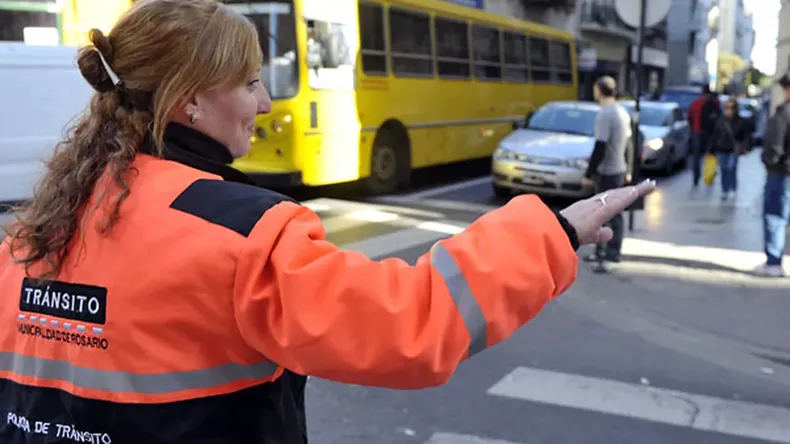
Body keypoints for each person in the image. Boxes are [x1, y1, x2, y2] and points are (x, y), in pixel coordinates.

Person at [0, 1, 655, 442]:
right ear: (191, 100)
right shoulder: (241, 232)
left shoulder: (42, 223)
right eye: (250, 82)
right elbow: (408, 325)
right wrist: (553, 234)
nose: (263, 101)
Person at [582, 76, 634, 272]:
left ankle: (610, 254)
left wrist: (589, 172)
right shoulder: (622, 112)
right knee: (609, 213)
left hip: (607, 171)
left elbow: (600, 145)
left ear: (599, 90)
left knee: (607, 214)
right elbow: (629, 143)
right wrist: (628, 169)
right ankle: (603, 252)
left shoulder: (605, 114)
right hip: (619, 169)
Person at [754, 73, 790, 277]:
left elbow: (774, 149)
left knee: (775, 215)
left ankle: (774, 262)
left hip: (782, 173)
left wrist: (769, 161)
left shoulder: (783, 114)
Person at [709, 97, 749, 200]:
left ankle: (733, 187)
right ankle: (724, 190)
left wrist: (745, 148)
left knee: (732, 168)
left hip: (733, 149)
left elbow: (744, 135)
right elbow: (715, 135)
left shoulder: (740, 121)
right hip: (721, 148)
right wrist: (711, 149)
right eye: (727, 107)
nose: (729, 110)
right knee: (723, 169)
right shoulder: (720, 120)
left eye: (732, 107)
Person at [687, 85, 716, 187]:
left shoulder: (696, 103)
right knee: (709, 155)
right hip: (709, 134)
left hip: (697, 132)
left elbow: (689, 117)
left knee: (697, 157)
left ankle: (696, 178)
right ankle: (709, 176)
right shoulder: (714, 103)